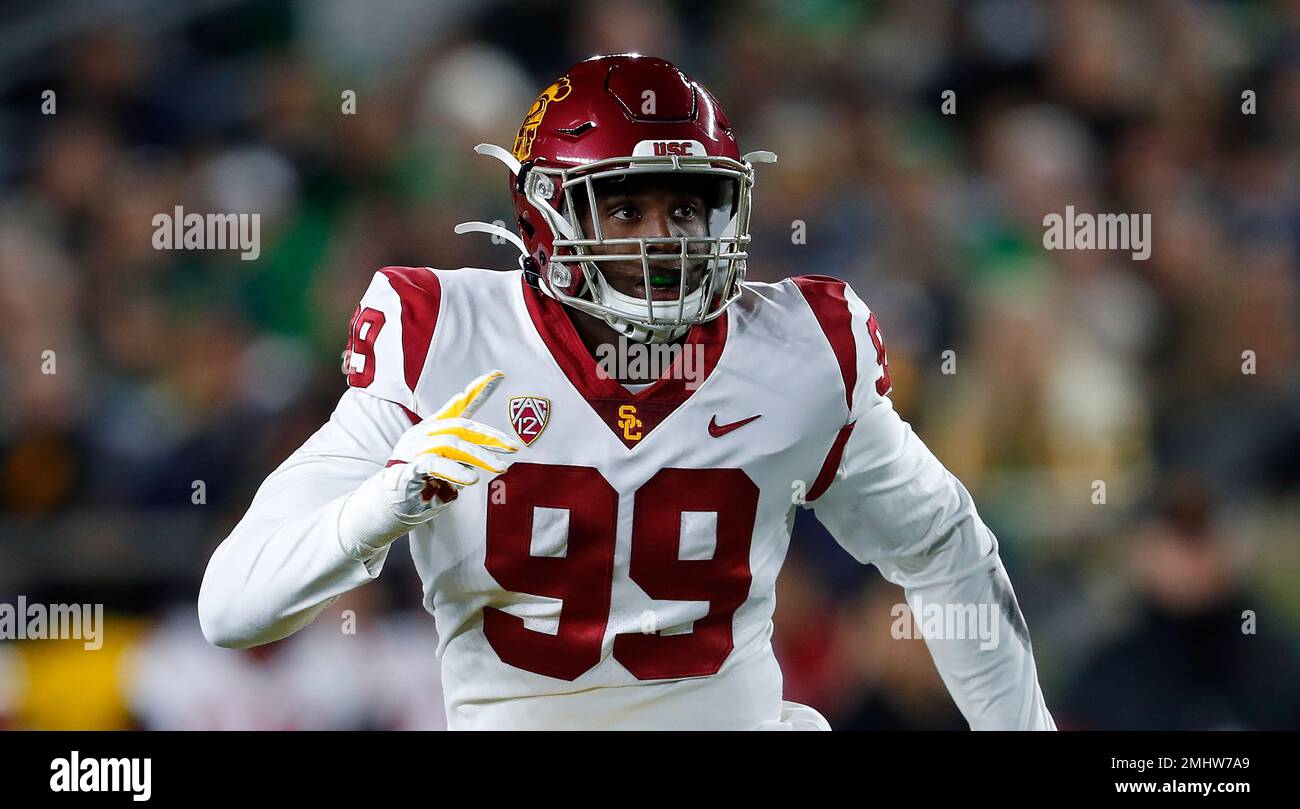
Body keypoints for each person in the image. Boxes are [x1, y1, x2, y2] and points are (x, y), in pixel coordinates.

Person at [198, 53, 1055, 731]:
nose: (664, 241)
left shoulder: (796, 353)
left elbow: (944, 548)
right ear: (549, 214)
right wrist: (389, 499)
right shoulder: (444, 339)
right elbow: (233, 608)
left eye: (688, 209)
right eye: (627, 208)